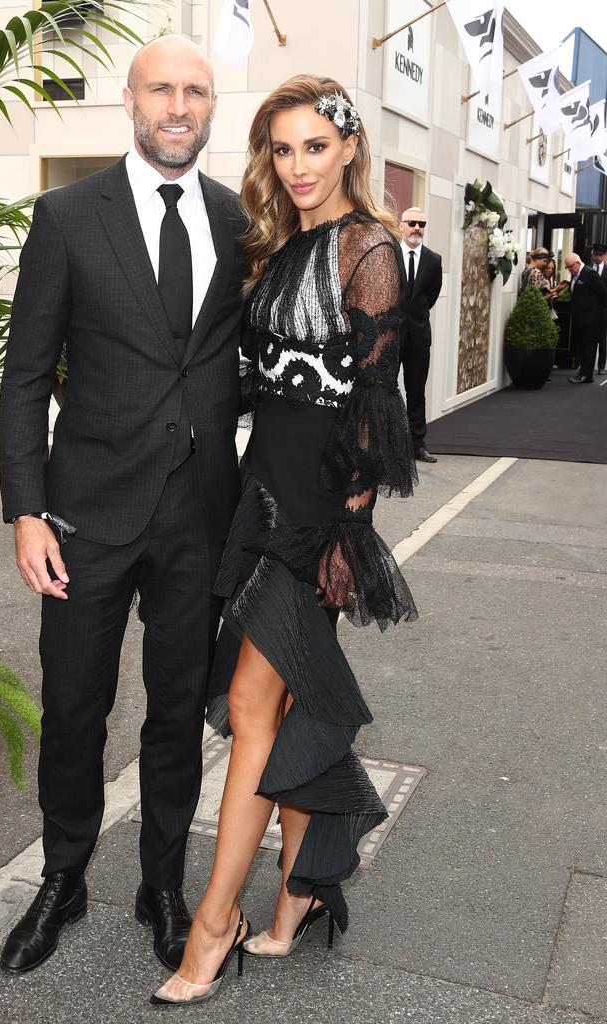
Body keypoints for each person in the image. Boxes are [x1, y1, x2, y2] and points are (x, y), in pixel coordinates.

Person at [151, 74, 418, 1006]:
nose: (298, 165)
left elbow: (376, 417)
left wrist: (344, 535)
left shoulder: (368, 249)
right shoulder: (283, 244)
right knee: (286, 703)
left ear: (350, 147)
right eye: (283, 148)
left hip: (315, 517)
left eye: (316, 145)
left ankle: (213, 922)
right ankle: (298, 895)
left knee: (254, 706)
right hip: (259, 494)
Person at [0, 35, 248, 974]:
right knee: (74, 711)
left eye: (195, 90)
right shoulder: (66, 217)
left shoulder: (237, 219)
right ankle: (64, 879)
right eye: (161, 89)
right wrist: (26, 510)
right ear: (130, 102)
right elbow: (25, 378)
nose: (178, 105)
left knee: (178, 712)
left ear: (210, 105)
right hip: (83, 517)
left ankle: (163, 884)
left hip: (200, 519)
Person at [398, 206, 442, 464]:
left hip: (419, 337)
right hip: (391, 336)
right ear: (401, 225)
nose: (416, 228)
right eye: (412, 223)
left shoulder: (434, 260)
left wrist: (417, 318)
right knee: (387, 390)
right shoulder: (389, 254)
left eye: (421, 224)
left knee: (416, 393)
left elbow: (431, 296)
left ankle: (417, 445)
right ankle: (387, 446)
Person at [564, 252, 607, 384]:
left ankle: (587, 375)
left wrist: (596, 311)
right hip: (581, 319)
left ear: (577, 263)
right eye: (567, 268)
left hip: (591, 319)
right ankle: (582, 372)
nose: (569, 270)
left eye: (570, 267)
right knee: (582, 346)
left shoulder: (589, 273)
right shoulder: (576, 275)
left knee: (589, 347)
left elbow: (603, 293)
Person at [591, 243, 607, 374]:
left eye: (601, 255)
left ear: (605, 256)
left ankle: (601, 366)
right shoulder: (588, 269)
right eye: (596, 255)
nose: (598, 257)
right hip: (590, 309)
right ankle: (587, 365)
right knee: (589, 338)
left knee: (602, 338)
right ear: (593, 255)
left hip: (603, 309)